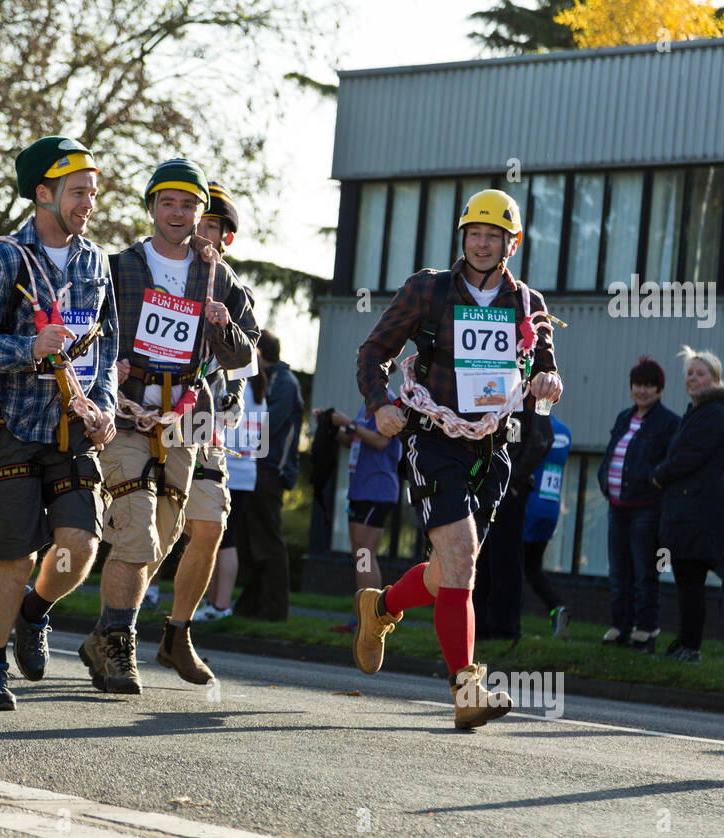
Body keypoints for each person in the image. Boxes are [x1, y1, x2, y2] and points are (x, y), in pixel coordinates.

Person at [351, 188, 563, 730]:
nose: (483, 243)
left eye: (495, 236)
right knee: (464, 558)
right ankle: (467, 690)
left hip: (495, 447)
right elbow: (373, 352)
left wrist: (547, 380)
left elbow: (545, 367)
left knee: (449, 570)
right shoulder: (428, 290)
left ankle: (381, 609)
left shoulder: (528, 304)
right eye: (476, 234)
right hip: (434, 439)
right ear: (463, 237)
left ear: (511, 244)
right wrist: (380, 406)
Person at [0, 134, 117, 710]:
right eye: (78, 192)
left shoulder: (96, 260)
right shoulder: (5, 258)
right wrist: (28, 346)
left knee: (78, 545)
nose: (89, 203)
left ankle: (33, 612)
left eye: (93, 192)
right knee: (16, 556)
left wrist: (107, 408)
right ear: (43, 194)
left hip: (73, 432)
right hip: (12, 427)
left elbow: (108, 344)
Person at [81, 157, 255, 695]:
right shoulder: (118, 266)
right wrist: (109, 361)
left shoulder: (218, 277)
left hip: (187, 420)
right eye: (168, 203)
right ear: (152, 207)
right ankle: (116, 646)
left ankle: (138, 634)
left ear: (201, 213)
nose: (179, 214)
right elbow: (83, 326)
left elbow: (242, 358)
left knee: (172, 531)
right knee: (135, 527)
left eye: (189, 205)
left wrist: (224, 331)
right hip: (128, 411)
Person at [160, 182, 261, 654]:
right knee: (157, 526)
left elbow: (246, 358)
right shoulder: (160, 270)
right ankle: (117, 625)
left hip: (204, 423)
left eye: (212, 227)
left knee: (209, 525)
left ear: (227, 240)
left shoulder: (235, 289)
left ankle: (178, 633)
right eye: (197, 223)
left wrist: (233, 397)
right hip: (152, 416)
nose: (201, 232)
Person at [651, 347, 724, 663]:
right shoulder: (697, 412)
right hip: (688, 510)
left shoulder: (714, 414)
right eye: (689, 373)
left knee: (692, 580)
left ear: (715, 380)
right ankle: (684, 642)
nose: (692, 378)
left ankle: (691, 647)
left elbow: (689, 456)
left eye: (700, 373)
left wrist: (659, 475)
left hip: (702, 513)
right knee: (685, 580)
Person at [597, 356, 681, 653]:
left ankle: (645, 632)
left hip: (647, 507)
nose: (642, 391)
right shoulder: (624, 417)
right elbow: (611, 453)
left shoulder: (669, 422)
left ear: (659, 390)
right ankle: (620, 626)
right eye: (638, 385)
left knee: (645, 572)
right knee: (618, 571)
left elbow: (671, 463)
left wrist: (650, 479)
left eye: (649, 386)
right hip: (617, 506)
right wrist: (603, 478)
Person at [317, 389, 402, 634]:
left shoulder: (387, 402)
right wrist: (332, 426)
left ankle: (370, 617)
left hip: (376, 489)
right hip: (361, 489)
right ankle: (365, 617)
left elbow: (380, 441)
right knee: (361, 554)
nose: (359, 376)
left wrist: (349, 424)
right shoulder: (368, 405)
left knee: (365, 553)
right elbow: (354, 440)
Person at [232, 330, 303, 622]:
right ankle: (251, 605)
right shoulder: (272, 379)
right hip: (255, 468)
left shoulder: (285, 383)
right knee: (250, 541)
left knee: (268, 541)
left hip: (271, 470)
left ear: (259, 353)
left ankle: (275, 610)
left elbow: (263, 427)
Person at [473, 406, 553, 643]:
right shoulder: (491, 382)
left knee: (505, 559)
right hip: (483, 485)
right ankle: (479, 627)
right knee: (480, 559)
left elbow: (543, 439)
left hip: (509, 489)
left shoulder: (533, 391)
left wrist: (515, 479)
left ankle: (504, 629)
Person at [196, 368, 267, 620]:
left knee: (222, 540)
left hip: (227, 468)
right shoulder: (260, 393)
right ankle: (215, 604)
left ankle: (219, 605)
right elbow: (262, 441)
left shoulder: (235, 388)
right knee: (225, 538)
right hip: (247, 470)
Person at [522, 413, 572, 637]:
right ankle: (556, 606)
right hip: (551, 508)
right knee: (531, 566)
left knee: (511, 565)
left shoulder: (532, 426)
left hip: (529, 505)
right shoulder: (565, 431)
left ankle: (504, 620)